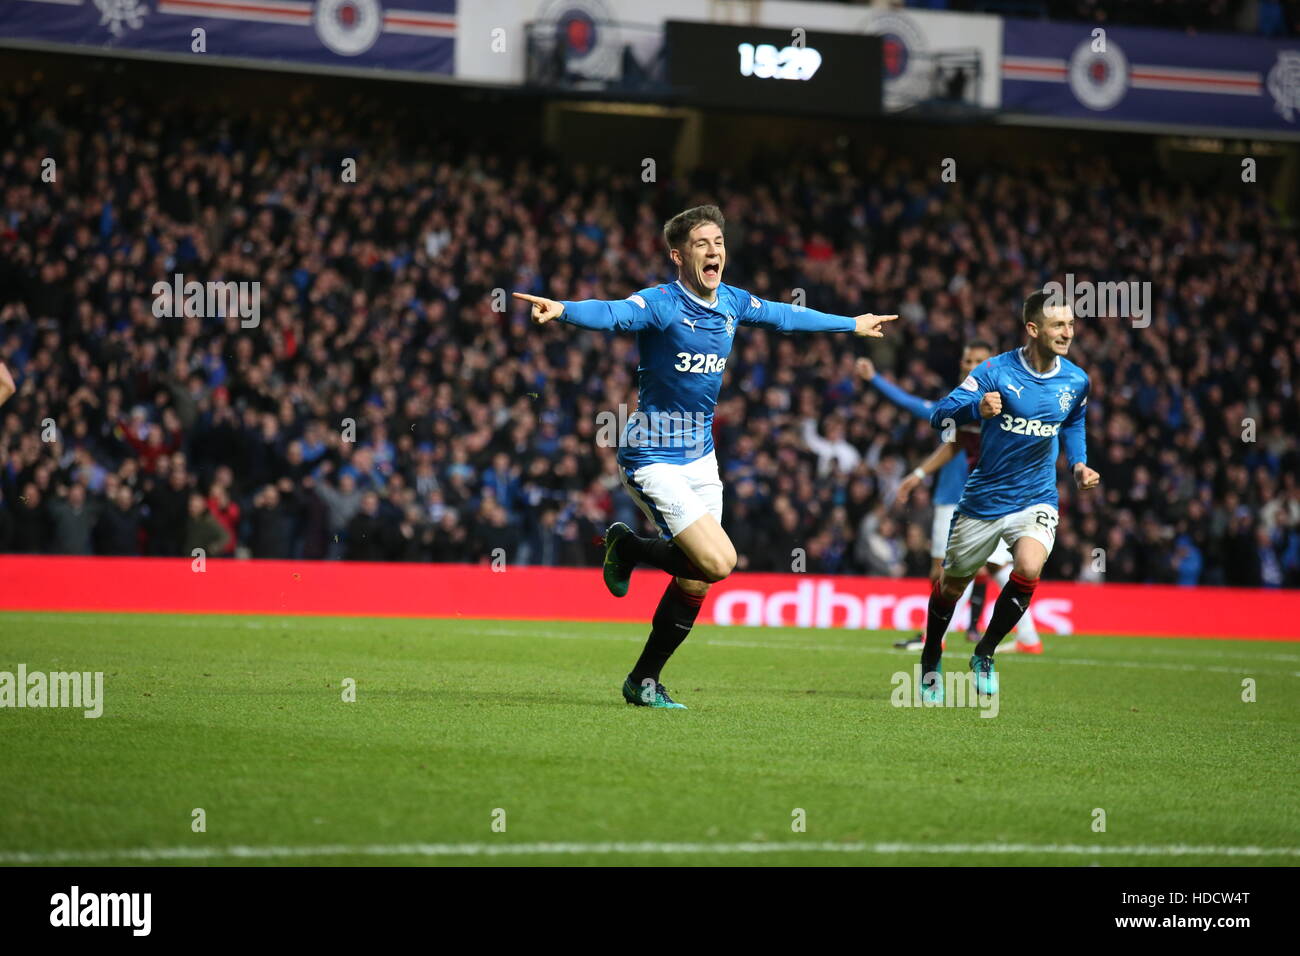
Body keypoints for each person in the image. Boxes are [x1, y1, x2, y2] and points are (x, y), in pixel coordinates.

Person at [514, 204, 897, 708]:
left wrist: (851, 324)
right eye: (701, 243)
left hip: (700, 458)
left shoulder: (733, 302)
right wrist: (563, 309)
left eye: (718, 241)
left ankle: (642, 681)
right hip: (651, 455)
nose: (714, 250)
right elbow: (612, 313)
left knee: (696, 578)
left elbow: (786, 316)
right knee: (719, 561)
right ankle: (627, 548)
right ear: (679, 256)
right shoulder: (660, 303)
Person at [920, 291, 1100, 702]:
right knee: (951, 586)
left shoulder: (1076, 380)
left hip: (1036, 496)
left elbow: (1074, 421)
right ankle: (931, 656)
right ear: (1033, 329)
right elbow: (938, 414)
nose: (1068, 332)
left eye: (1071, 324)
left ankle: (984, 653)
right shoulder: (994, 371)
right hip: (984, 500)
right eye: (1058, 325)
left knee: (1029, 567)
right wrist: (976, 409)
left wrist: (1078, 464)